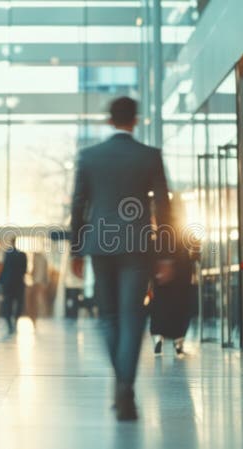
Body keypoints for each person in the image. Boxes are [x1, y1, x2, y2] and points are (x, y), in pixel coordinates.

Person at [70, 96, 173, 421]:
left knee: (109, 317)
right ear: (135, 120)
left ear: (110, 120)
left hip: (100, 245)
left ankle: (122, 382)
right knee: (132, 317)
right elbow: (163, 208)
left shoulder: (89, 157)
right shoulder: (149, 156)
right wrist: (167, 253)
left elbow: (78, 206)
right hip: (138, 246)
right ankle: (125, 385)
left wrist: (76, 250)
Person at [150, 195, 194, 358]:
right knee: (180, 306)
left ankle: (158, 338)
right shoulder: (183, 225)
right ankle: (178, 343)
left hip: (160, 269)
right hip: (181, 270)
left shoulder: (160, 225)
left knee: (160, 302)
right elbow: (194, 247)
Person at [0, 237, 28, 334]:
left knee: (8, 303)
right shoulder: (22, 255)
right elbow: (24, 270)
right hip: (18, 282)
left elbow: (4, 269)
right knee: (18, 304)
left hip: (9, 283)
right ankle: (15, 321)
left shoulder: (8, 254)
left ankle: (9, 322)